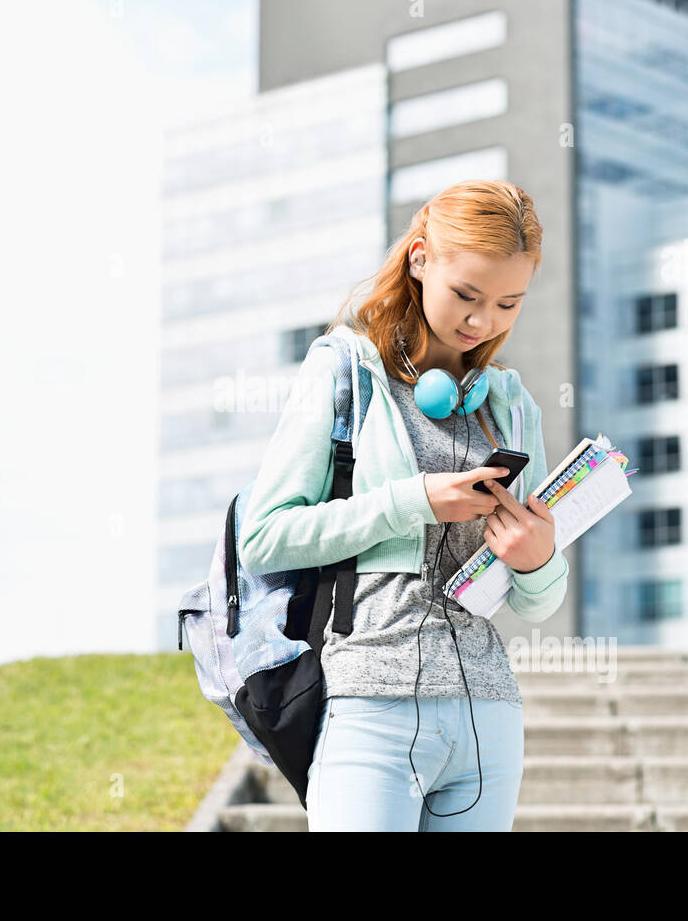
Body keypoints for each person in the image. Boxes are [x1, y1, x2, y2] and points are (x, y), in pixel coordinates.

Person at [237, 179, 570, 831]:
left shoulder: (509, 404)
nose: (483, 322)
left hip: (487, 717)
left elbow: (537, 602)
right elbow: (264, 539)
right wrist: (412, 501)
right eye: (467, 296)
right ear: (420, 259)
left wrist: (538, 561)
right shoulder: (345, 374)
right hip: (370, 705)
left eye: (509, 303)